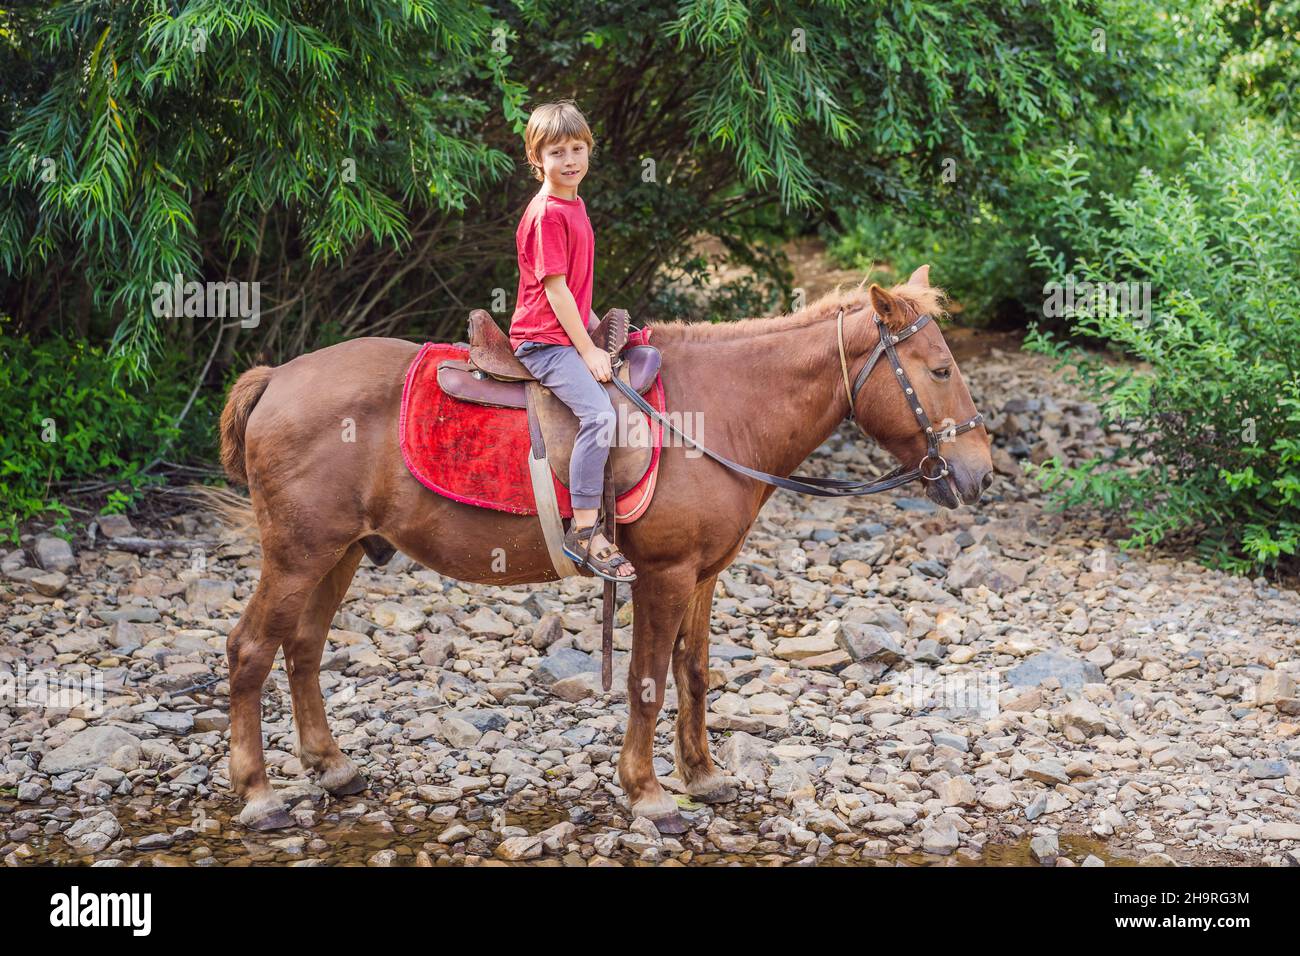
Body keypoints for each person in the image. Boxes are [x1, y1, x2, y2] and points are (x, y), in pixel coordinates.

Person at [508, 101, 635, 581]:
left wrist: (599, 328)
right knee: (599, 414)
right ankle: (584, 529)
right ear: (535, 158)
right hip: (544, 341)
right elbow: (555, 289)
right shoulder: (547, 214)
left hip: (566, 329)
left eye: (577, 148)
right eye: (556, 151)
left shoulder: (573, 204)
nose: (570, 160)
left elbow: (578, 292)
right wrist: (586, 349)